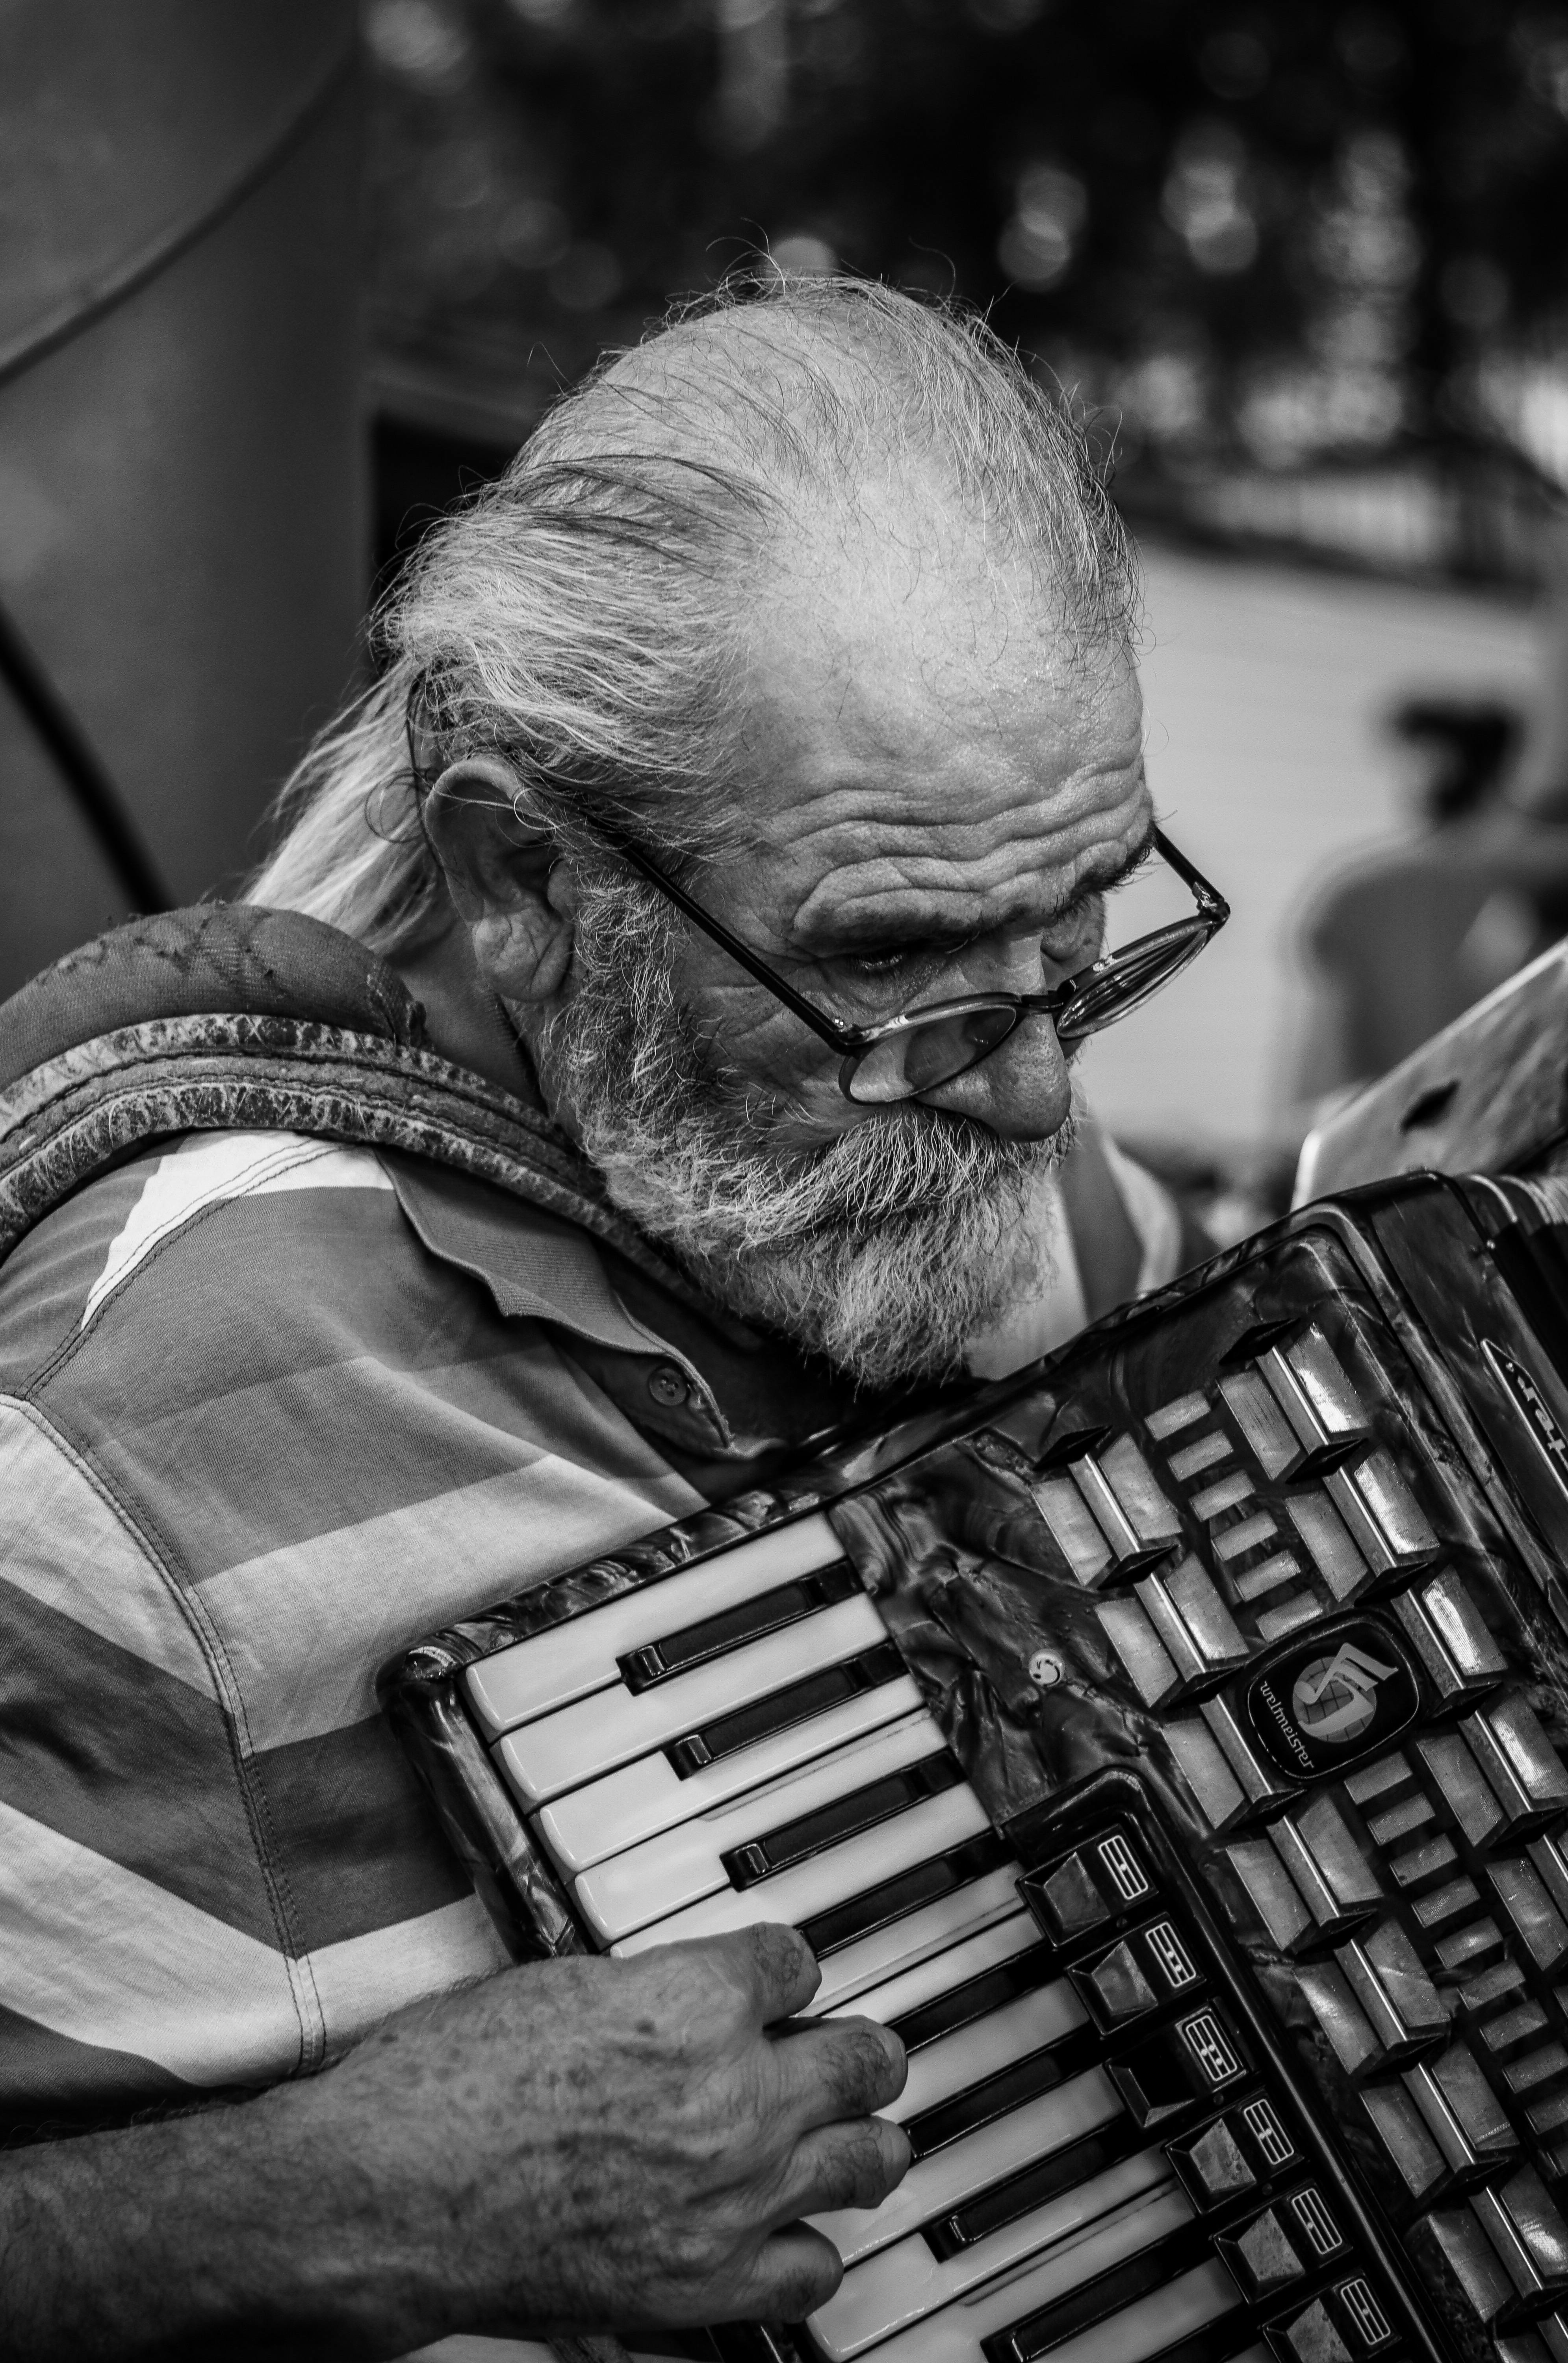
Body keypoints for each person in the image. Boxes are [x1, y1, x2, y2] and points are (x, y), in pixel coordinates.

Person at [0, 278, 1211, 2359]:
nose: (1032, 1091)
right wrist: (309, 2205)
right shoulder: (124, 1436)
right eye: (897, 964)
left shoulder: (1024, 1166)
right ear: (521, 874)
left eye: (1086, 916)